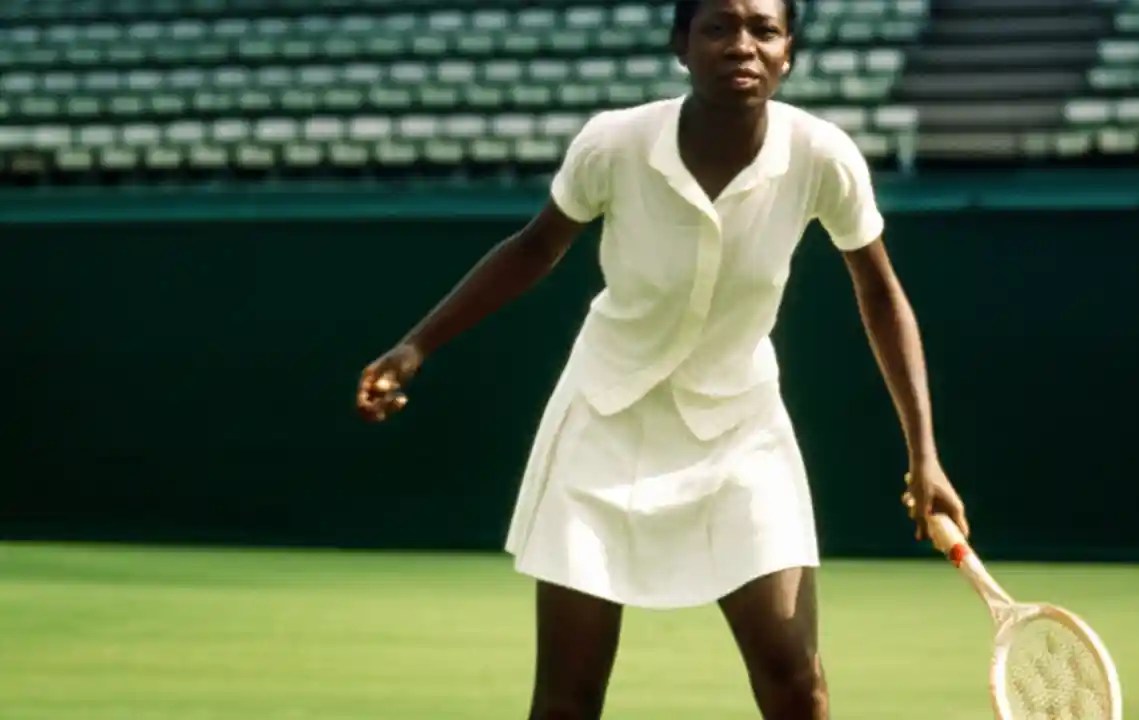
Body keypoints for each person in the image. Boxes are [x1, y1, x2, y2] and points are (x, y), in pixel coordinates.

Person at [355, 0, 970, 717]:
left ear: (789, 52)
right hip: (601, 425)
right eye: (717, 27)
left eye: (763, 29)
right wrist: (416, 344)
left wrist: (924, 454)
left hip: (742, 432)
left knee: (796, 682)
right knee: (567, 698)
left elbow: (881, 293)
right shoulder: (614, 143)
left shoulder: (821, 155)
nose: (741, 45)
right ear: (682, 45)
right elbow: (534, 246)